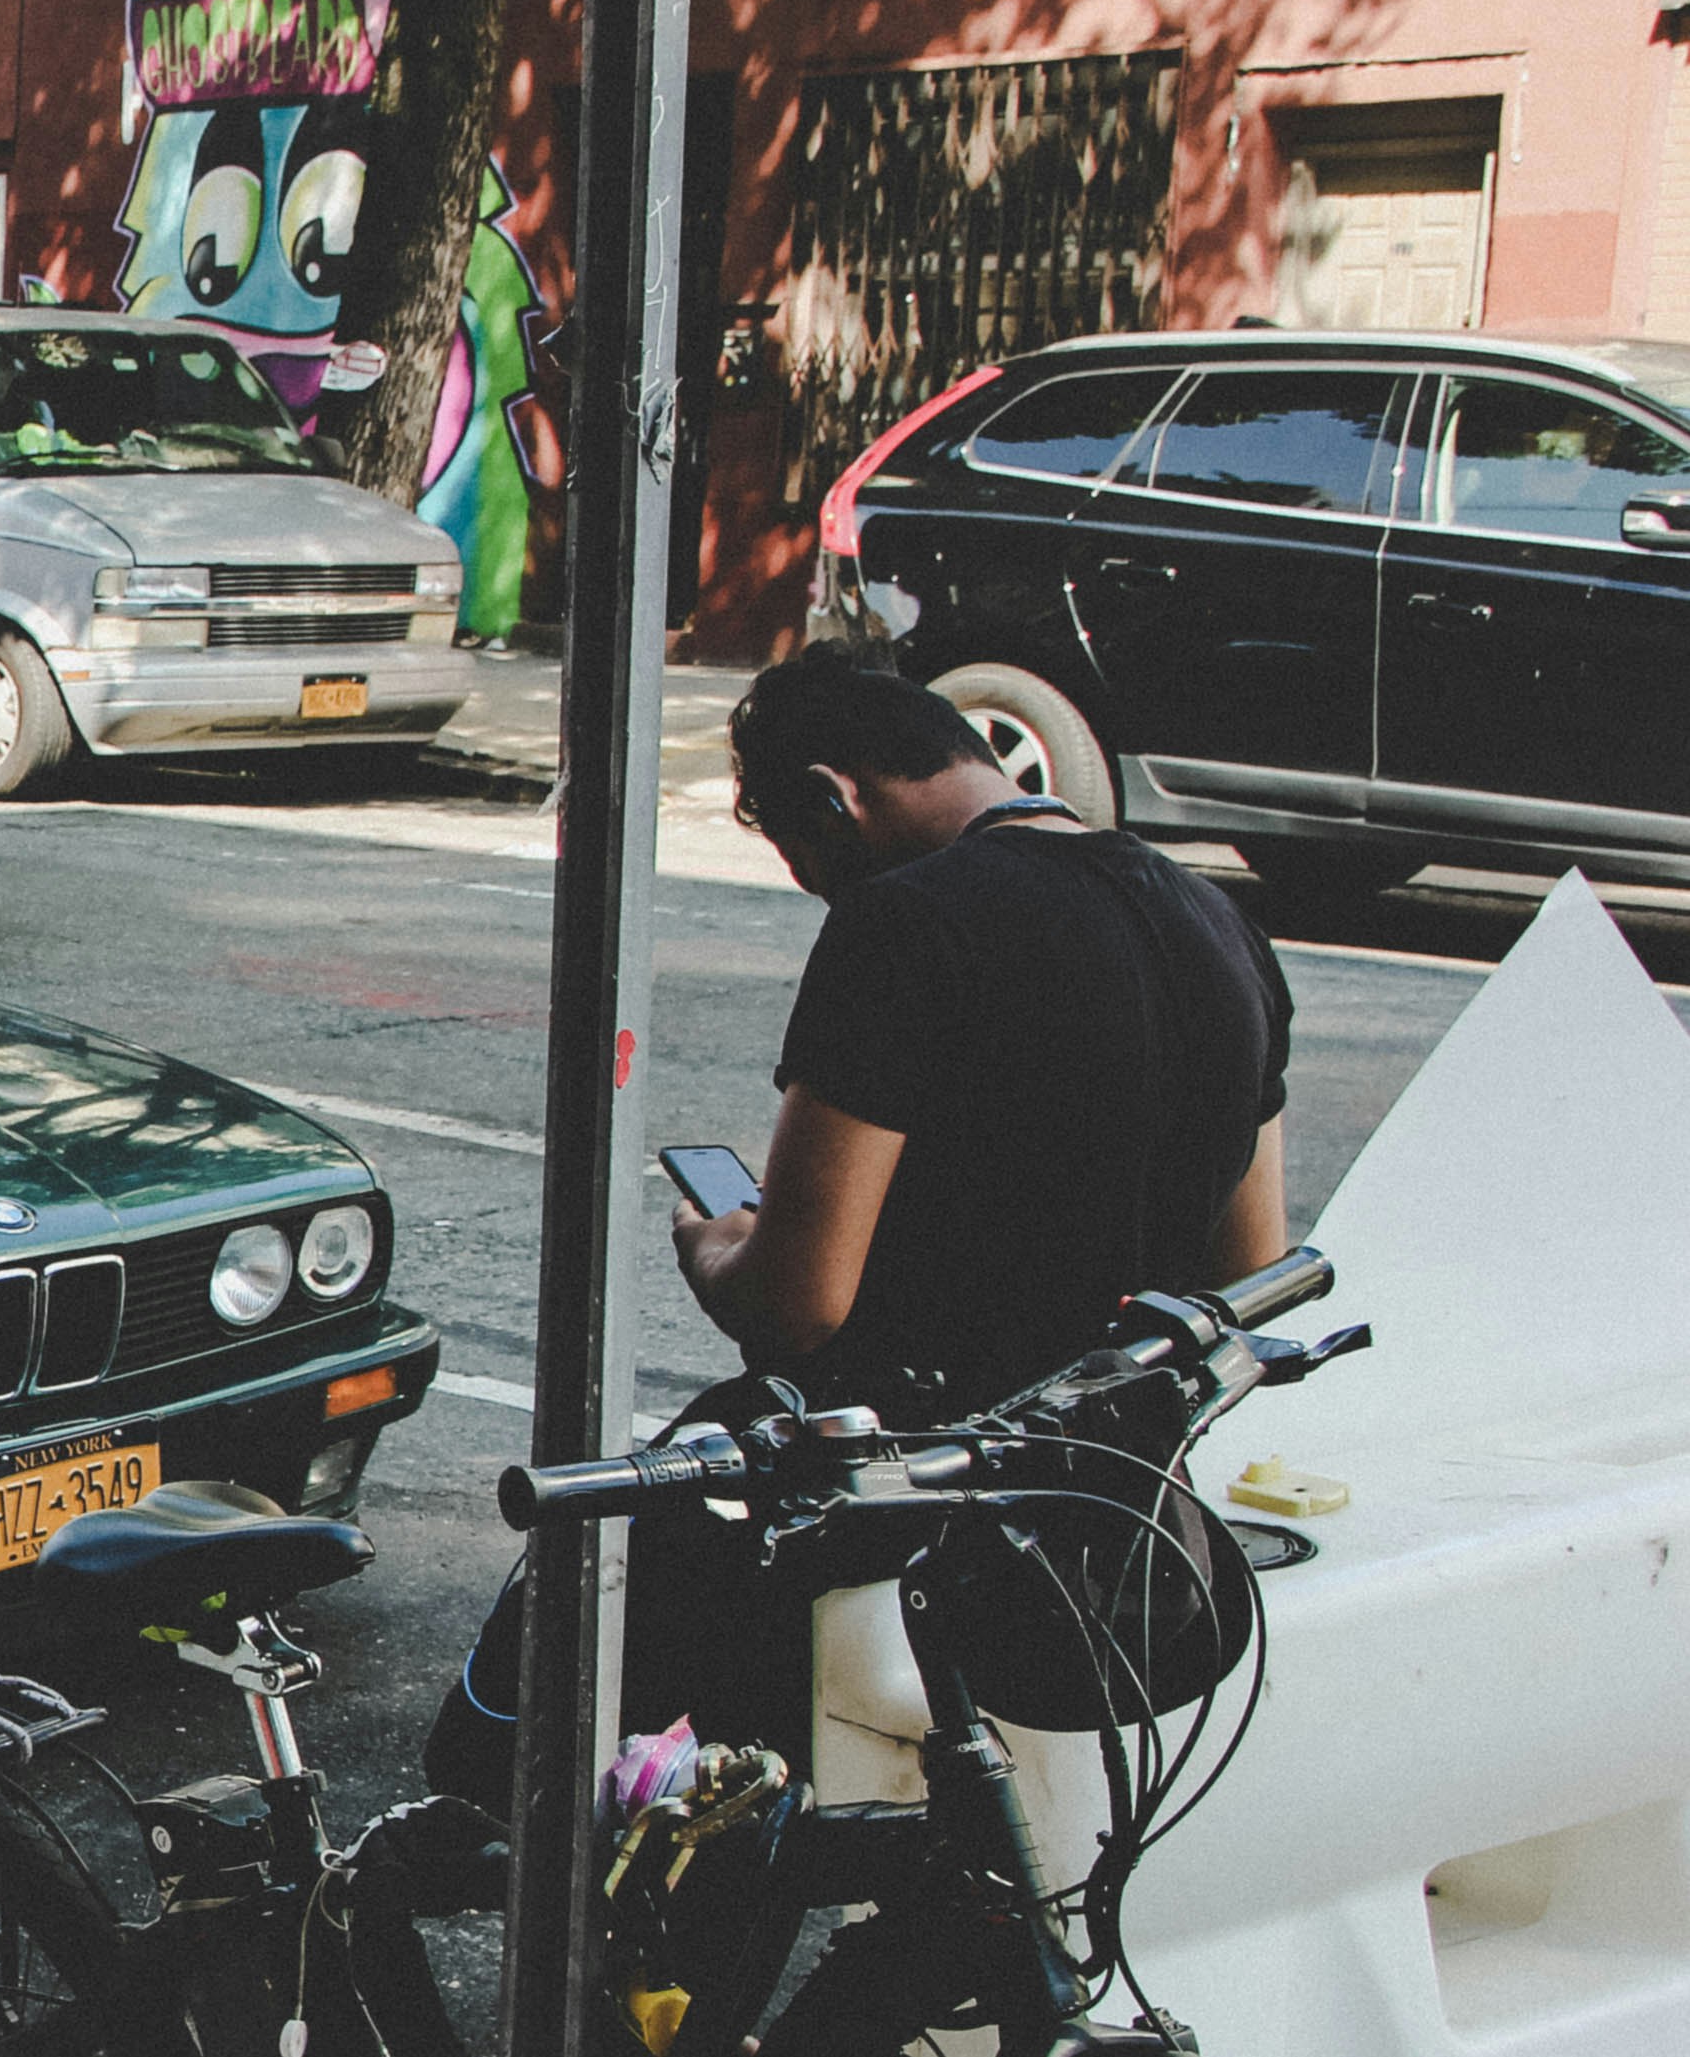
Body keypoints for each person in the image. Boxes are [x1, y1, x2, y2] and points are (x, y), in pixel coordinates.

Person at [436, 653, 1294, 1792]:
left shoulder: (908, 923)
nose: (820, 895)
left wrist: (715, 1241)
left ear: (831, 798)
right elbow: (1249, 1269)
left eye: (808, 865)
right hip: (1108, 1504)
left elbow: (797, 1303)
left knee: (499, 1741)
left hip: (895, 1480)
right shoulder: (1217, 921)